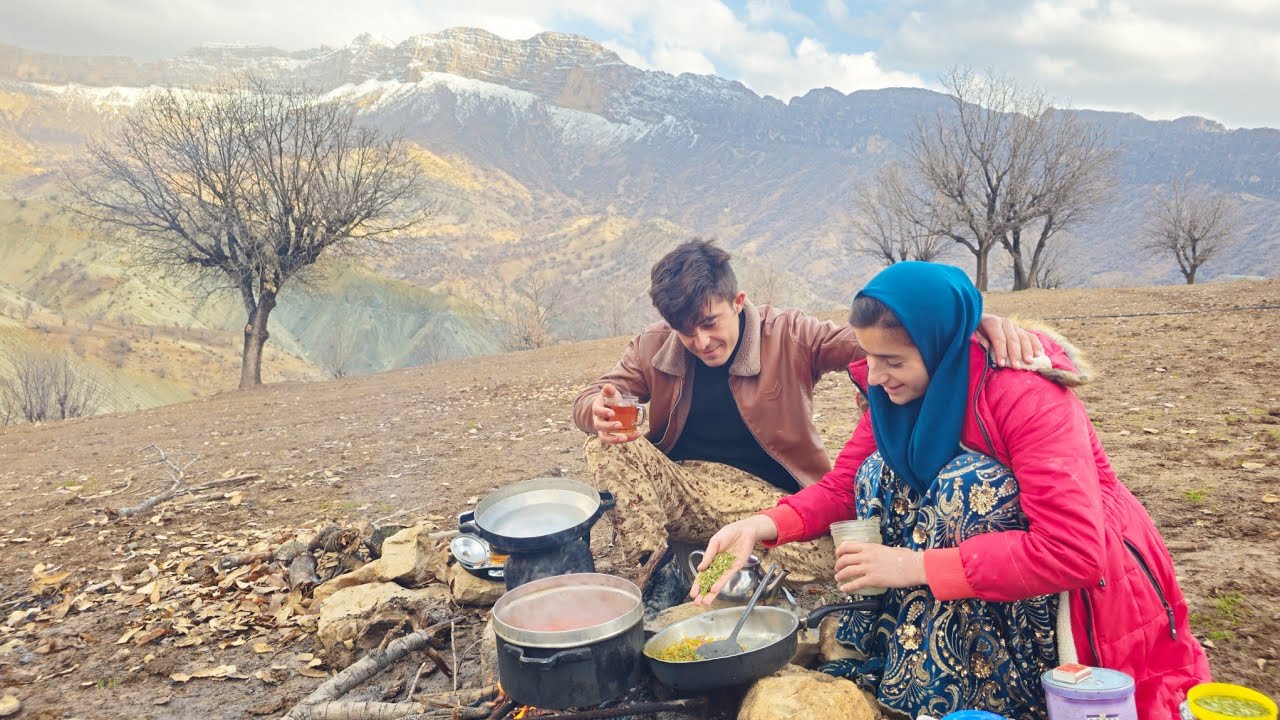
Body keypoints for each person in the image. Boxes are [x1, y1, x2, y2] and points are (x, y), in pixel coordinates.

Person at [693, 261, 1210, 720]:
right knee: (878, 472)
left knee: (968, 483)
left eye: (893, 361)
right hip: (968, 568)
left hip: (1070, 591)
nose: (876, 376)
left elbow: (1073, 551)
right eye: (870, 356)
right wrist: (758, 526)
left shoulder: (1023, 394)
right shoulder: (894, 396)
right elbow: (844, 486)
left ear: (940, 345)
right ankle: (915, 657)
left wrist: (914, 567)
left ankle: (1004, 688)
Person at [572, 239, 1041, 583]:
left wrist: (965, 322)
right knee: (605, 446)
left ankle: (709, 565)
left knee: (836, 561)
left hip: (774, 498)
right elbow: (598, 394)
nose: (701, 341)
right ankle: (655, 577)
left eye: (709, 323)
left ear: (738, 302)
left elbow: (878, 341)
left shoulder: (789, 333)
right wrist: (597, 409)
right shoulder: (653, 346)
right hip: (686, 488)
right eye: (685, 330)